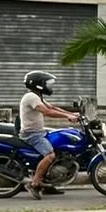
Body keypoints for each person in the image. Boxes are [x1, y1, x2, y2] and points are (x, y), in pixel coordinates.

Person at [18, 70, 80, 200]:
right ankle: (34, 184)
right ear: (38, 84)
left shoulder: (37, 96)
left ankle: (47, 184)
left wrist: (72, 114)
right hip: (32, 134)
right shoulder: (31, 97)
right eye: (46, 83)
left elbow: (53, 108)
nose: (49, 86)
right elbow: (47, 112)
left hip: (39, 131)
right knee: (50, 155)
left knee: (58, 148)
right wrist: (67, 116)